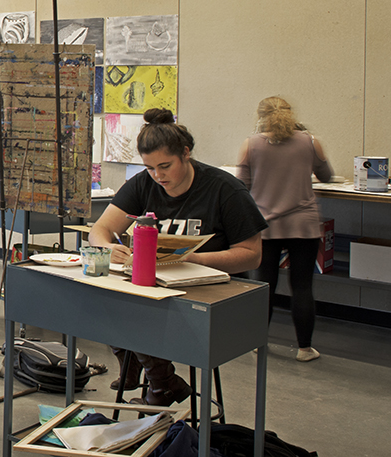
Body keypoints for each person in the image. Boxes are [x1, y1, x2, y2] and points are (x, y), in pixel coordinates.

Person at [90, 108, 266, 405]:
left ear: (186, 153)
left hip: (206, 294)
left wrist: (192, 260)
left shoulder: (224, 189)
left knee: (135, 315)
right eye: (149, 168)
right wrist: (108, 248)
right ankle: (159, 379)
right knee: (104, 300)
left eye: (165, 166)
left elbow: (251, 256)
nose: (158, 176)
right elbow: (100, 229)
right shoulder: (144, 183)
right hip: (153, 288)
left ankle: (153, 376)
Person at [235, 96, 334, 362]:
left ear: (260, 116)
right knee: (302, 286)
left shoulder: (250, 145)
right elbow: (326, 176)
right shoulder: (311, 142)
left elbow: (240, 186)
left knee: (263, 285)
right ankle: (304, 349)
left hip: (265, 225)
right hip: (304, 225)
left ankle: (258, 343)